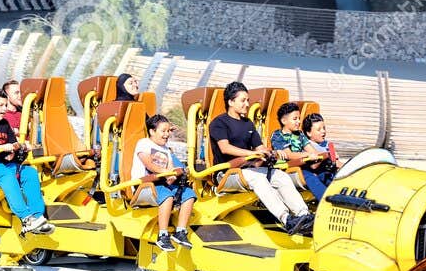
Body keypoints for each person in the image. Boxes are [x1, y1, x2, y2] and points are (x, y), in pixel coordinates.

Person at [207, 82, 312, 235]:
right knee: (258, 178)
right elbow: (225, 148)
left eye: (247, 100)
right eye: (243, 100)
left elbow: (259, 148)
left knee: (281, 176)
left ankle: (304, 216)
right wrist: (249, 155)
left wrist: (270, 153)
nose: (247, 104)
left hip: (248, 169)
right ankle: (286, 219)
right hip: (225, 173)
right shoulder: (219, 123)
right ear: (230, 102)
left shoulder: (248, 123)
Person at [0, 88, 54, 235]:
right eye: (0, 105)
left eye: (5, 105)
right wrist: (1, 147)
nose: (4, 109)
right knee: (5, 173)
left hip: (2, 165)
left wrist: (22, 148)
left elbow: (11, 151)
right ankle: (26, 218)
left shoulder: (5, 124)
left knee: (29, 173)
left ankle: (38, 218)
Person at [132, 113, 196, 251]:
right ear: (152, 131)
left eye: (168, 131)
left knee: (189, 194)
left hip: (162, 183)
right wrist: (166, 173)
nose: (167, 134)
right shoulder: (144, 143)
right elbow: (149, 165)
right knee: (167, 196)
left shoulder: (166, 149)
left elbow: (171, 168)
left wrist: (172, 175)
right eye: (163, 131)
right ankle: (162, 235)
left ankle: (180, 232)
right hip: (145, 185)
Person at [300, 113, 339, 201]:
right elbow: (313, 166)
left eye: (324, 128)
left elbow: (337, 162)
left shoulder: (328, 144)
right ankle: (326, 201)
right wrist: (326, 156)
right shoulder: (308, 146)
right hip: (317, 172)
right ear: (309, 133)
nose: (323, 131)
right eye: (319, 130)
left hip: (330, 172)